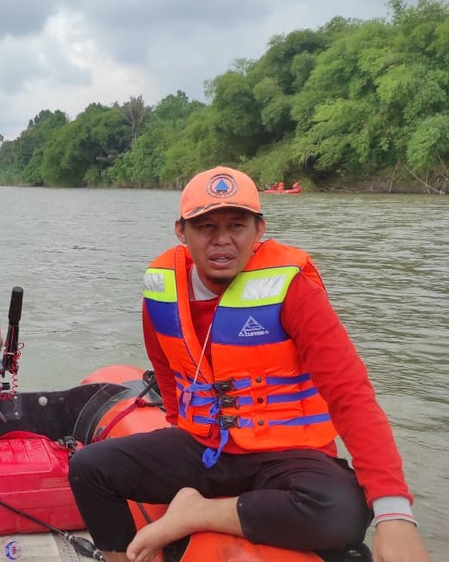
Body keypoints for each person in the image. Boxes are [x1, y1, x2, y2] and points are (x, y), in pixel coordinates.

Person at [69, 166, 430, 562]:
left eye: (236, 225)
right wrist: (175, 442)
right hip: (204, 447)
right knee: (90, 468)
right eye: (205, 227)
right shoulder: (161, 289)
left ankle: (196, 512)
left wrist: (395, 514)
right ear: (181, 231)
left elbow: (351, 395)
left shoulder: (293, 289)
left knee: (342, 512)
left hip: (286, 455)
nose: (222, 239)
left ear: (259, 229)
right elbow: (169, 377)